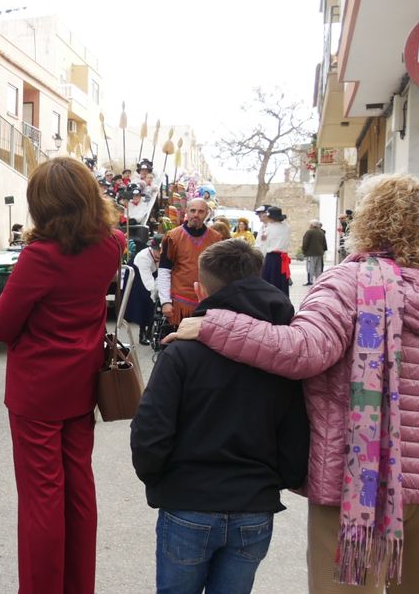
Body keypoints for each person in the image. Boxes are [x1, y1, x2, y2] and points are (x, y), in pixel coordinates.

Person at [169, 174, 419, 593]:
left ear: (371, 220)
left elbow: (303, 350)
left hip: (358, 480)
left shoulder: (350, 283)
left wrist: (216, 323)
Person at [131, 238, 308, 594]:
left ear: (199, 290)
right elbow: (296, 431)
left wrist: (160, 480)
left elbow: (150, 430)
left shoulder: (181, 353)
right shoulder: (280, 354)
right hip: (253, 507)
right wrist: (280, 479)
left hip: (188, 503)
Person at [0, 156, 123, 593]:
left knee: (42, 497)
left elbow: (2, 327)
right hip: (82, 382)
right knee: (79, 487)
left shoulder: (40, 257)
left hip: (37, 390)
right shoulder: (111, 244)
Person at [158, 198, 223, 327]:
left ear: (207, 214)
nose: (196, 215)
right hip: (179, 303)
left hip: (207, 302)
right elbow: (164, 270)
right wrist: (165, 301)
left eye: (200, 211)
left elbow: (220, 273)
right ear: (186, 211)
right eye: (192, 210)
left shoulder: (216, 239)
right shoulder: (173, 237)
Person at [127, 234, 161, 345]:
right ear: (153, 249)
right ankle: (142, 334)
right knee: (144, 301)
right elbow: (148, 283)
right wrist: (156, 293)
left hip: (152, 271)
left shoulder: (162, 255)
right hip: (136, 273)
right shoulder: (144, 258)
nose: (160, 254)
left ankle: (150, 333)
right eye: (158, 251)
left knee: (153, 305)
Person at [255, 205, 291, 294]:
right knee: (281, 280)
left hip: (271, 257)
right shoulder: (286, 227)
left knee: (270, 280)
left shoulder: (269, 228)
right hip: (282, 258)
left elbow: (263, 244)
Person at [303, 219, 328, 286]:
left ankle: (310, 281)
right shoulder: (321, 232)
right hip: (319, 253)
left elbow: (305, 242)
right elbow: (324, 243)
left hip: (311, 253)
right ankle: (318, 280)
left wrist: (304, 250)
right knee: (318, 268)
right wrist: (323, 250)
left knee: (310, 267)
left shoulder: (309, 232)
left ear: (311, 225)